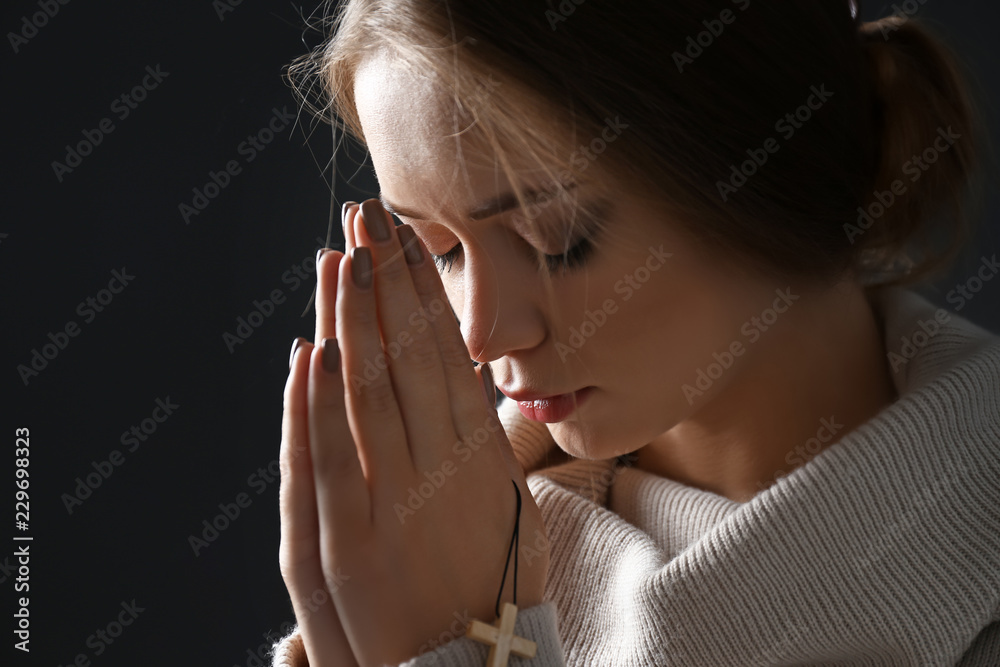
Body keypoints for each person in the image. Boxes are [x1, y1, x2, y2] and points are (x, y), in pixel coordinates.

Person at [270, 0, 1000, 664]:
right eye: (441, 249)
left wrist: (471, 646)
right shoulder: (422, 549)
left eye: (555, 236)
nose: (479, 336)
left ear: (761, 156)